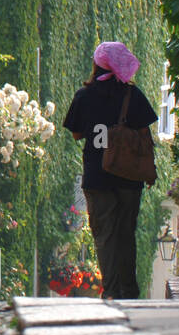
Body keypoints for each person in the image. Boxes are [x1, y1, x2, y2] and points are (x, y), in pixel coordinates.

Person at [62, 42, 158, 299]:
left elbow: (75, 133)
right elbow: (145, 136)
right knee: (126, 232)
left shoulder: (84, 96)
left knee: (104, 234)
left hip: (97, 175)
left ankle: (112, 289)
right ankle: (129, 288)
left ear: (96, 64)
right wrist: (150, 171)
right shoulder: (132, 95)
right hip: (129, 177)